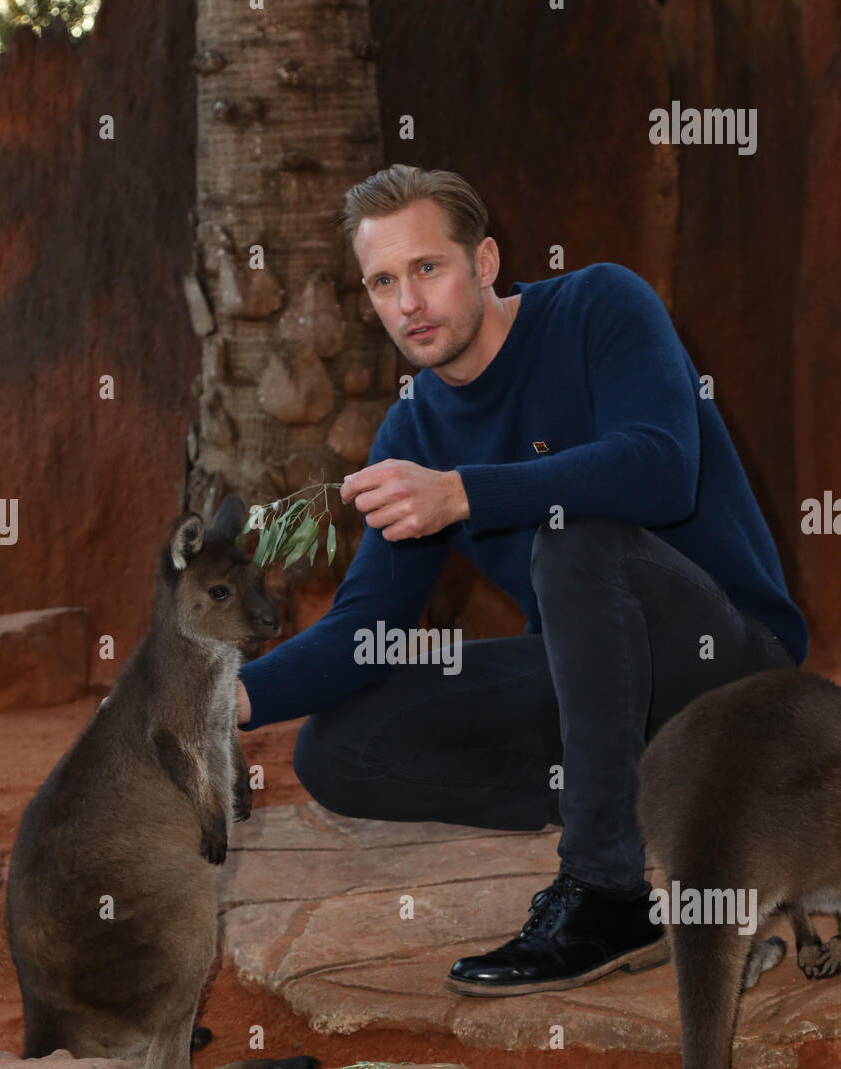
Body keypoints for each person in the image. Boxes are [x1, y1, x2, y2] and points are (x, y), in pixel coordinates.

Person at [235, 163, 807, 996]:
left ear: (486, 261)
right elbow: (366, 631)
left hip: (731, 674)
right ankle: (635, 821)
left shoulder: (600, 306)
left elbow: (661, 468)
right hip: (602, 696)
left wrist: (463, 491)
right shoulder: (416, 429)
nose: (408, 304)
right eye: (384, 281)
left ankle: (605, 888)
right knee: (338, 747)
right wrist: (217, 697)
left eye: (427, 268)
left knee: (573, 541)